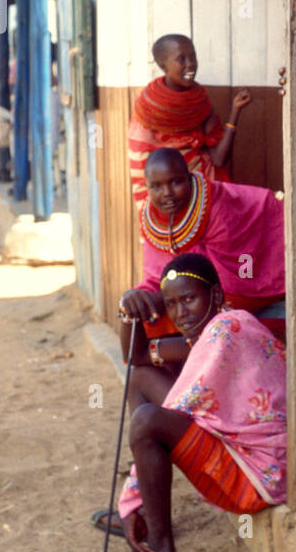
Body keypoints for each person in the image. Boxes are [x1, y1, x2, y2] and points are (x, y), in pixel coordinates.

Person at [114, 252, 286, 552]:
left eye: (189, 299)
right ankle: (148, 509)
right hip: (256, 460)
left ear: (216, 295)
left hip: (259, 475)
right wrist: (127, 312)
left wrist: (130, 496)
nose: (180, 313)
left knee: (148, 421)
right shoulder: (210, 332)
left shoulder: (225, 330)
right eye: (171, 303)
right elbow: (136, 359)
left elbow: (171, 410)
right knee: (140, 379)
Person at [115, 147, 286, 412]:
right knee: (146, 325)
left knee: (186, 320)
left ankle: (185, 414)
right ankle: (178, 403)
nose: (166, 193)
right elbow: (157, 276)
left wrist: (166, 298)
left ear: (189, 177)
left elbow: (226, 280)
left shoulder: (218, 206)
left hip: (241, 283)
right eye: (156, 186)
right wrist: (133, 302)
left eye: (175, 182)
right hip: (195, 293)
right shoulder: (151, 217)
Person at [127, 34, 251, 204]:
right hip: (166, 198)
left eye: (193, 57)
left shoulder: (199, 100)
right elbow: (141, 165)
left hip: (203, 189)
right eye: (181, 59)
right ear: (163, 65)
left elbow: (218, 159)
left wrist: (235, 111)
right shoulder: (149, 107)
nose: (190, 64)